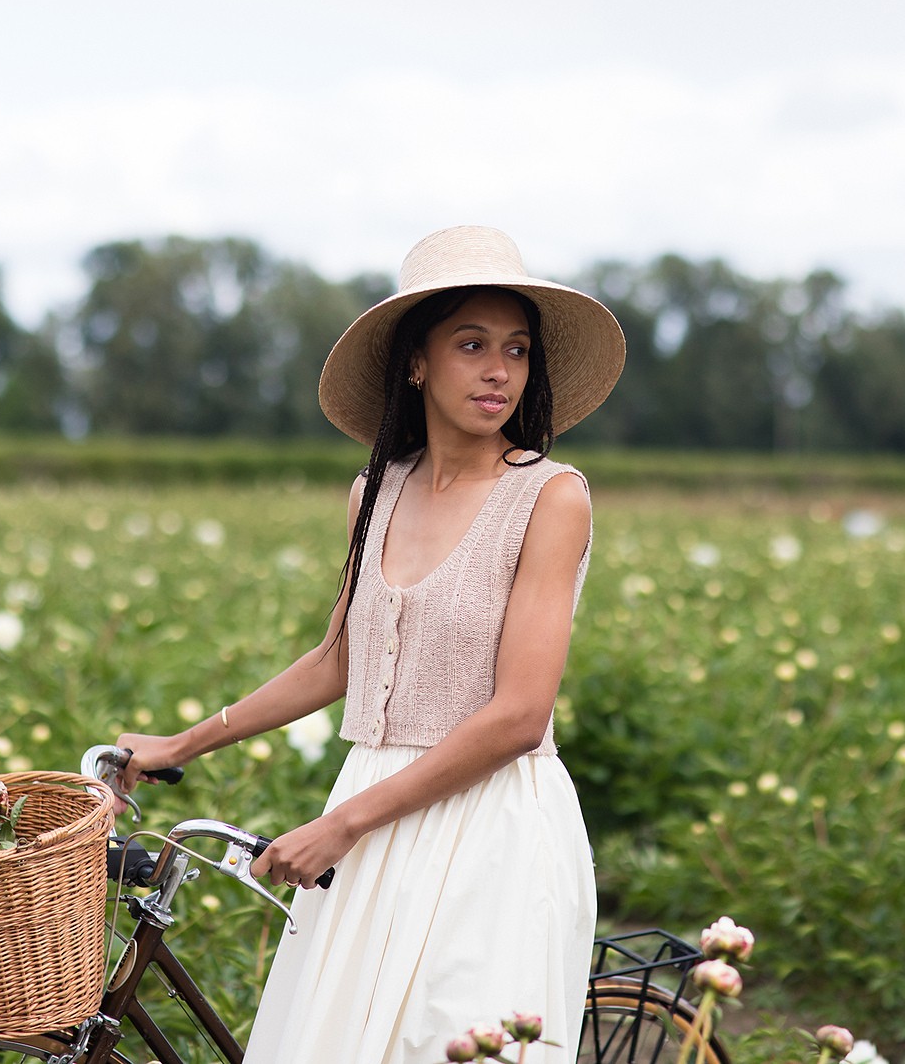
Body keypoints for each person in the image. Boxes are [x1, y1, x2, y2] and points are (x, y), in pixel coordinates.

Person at [113, 225, 626, 1064]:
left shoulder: (549, 496)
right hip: (378, 808)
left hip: (491, 821)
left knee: (451, 1045)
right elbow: (340, 660)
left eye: (517, 349)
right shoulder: (375, 491)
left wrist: (340, 824)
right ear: (417, 362)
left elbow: (521, 716)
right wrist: (182, 742)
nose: (499, 370)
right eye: (471, 345)